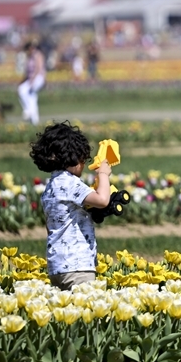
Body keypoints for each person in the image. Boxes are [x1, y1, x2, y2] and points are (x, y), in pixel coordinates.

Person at [30, 121, 113, 291]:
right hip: (78, 266)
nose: (83, 164)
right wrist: (103, 174)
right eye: (83, 158)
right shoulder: (71, 183)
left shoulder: (51, 187)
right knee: (84, 313)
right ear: (73, 157)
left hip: (57, 267)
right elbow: (103, 199)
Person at [18, 41, 46, 125]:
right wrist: (23, 81)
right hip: (31, 79)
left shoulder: (37, 55)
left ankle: (29, 112)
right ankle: (34, 119)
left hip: (38, 78)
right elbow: (27, 72)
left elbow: (38, 68)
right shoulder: (29, 57)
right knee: (25, 92)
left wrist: (32, 81)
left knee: (30, 93)